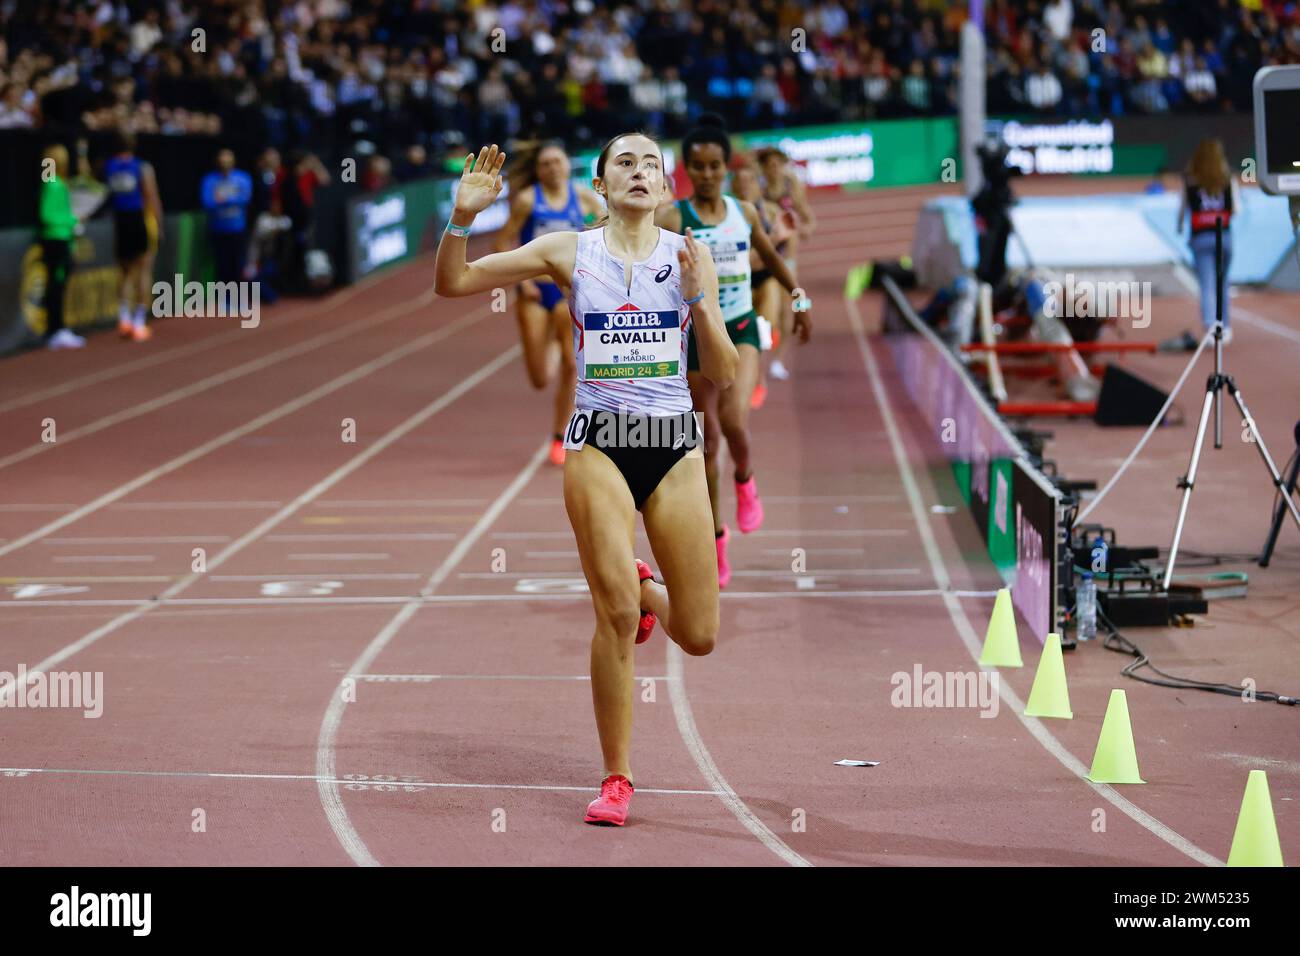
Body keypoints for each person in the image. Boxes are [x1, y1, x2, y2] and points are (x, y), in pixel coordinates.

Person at [435, 137, 737, 827]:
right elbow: (454, 283)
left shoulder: (689, 257)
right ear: (599, 185)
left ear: (665, 188)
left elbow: (721, 373)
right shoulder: (568, 250)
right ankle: (617, 778)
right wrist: (462, 218)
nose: (639, 172)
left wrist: (700, 301)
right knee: (617, 617)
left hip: (672, 445)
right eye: (624, 163)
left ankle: (642, 584)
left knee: (699, 634)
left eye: (651, 164)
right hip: (600, 441)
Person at [656, 116, 811, 588]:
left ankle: (745, 476)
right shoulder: (673, 218)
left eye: (714, 166)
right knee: (704, 448)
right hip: (694, 337)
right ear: (686, 169)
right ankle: (717, 542)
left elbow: (774, 257)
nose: (707, 174)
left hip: (740, 328)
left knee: (733, 420)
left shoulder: (744, 212)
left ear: (726, 167)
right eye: (698, 166)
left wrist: (799, 300)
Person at [495, 140, 604, 465]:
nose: (553, 168)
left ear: (568, 165)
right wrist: (523, 281)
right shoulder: (528, 200)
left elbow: (604, 234)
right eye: (546, 164)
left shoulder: (583, 198)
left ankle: (560, 435)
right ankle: (555, 344)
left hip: (568, 291)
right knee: (540, 377)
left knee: (572, 366)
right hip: (535, 291)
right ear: (538, 171)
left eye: (557, 161)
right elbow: (502, 243)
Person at [731, 159, 798, 409]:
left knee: (765, 329)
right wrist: (771, 240)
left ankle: (760, 376)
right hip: (741, 280)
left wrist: (791, 278)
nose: (745, 185)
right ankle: (750, 375)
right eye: (740, 181)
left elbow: (788, 247)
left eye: (750, 180)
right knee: (744, 333)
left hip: (767, 277)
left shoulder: (771, 211)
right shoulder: (727, 213)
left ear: (758, 184)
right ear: (732, 185)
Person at [756, 146, 815, 381]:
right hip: (764, 258)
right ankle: (761, 357)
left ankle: (778, 360)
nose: (774, 169)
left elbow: (808, 217)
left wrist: (805, 228)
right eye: (769, 165)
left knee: (792, 308)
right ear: (763, 168)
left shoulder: (791, 187)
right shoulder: (758, 191)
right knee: (769, 312)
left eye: (778, 165)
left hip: (787, 258)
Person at [1177, 138, 1239, 343]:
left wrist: (1180, 226)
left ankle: (1211, 327)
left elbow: (1183, 208)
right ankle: (1225, 326)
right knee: (1222, 283)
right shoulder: (1227, 178)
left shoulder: (1190, 180)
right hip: (1224, 236)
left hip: (1201, 237)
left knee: (1207, 284)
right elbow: (1236, 209)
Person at [104, 130, 162, 341]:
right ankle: (138, 321)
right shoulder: (142, 167)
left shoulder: (109, 166)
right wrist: (159, 225)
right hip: (138, 220)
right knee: (144, 270)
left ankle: (124, 318)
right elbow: (151, 197)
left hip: (120, 221)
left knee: (124, 271)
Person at [37, 143, 85, 350]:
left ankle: (59, 328)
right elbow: (47, 214)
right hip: (56, 240)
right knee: (55, 286)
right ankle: (56, 330)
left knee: (59, 286)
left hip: (62, 239)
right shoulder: (53, 184)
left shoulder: (57, 182)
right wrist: (72, 221)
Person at [200, 148, 254, 284]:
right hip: (218, 229)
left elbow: (245, 198)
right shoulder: (210, 180)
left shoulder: (243, 178)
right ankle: (223, 293)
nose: (225, 165)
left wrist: (224, 199)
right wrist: (231, 199)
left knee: (238, 264)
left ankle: (237, 293)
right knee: (221, 264)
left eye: (228, 162)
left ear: (233, 162)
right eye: (222, 162)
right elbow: (207, 202)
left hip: (237, 228)